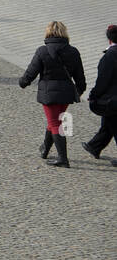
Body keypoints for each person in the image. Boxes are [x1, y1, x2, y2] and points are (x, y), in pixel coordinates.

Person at [19, 20, 86, 167]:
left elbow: (31, 71)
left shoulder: (42, 51)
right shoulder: (73, 51)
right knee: (55, 121)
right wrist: (79, 91)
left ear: (48, 32)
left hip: (49, 93)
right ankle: (45, 149)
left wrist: (23, 82)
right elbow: (80, 76)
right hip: (66, 94)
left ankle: (63, 159)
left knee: (55, 123)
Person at [82, 24, 117, 162]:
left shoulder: (109, 57)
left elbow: (103, 81)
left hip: (112, 99)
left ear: (109, 40)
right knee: (109, 122)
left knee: (113, 122)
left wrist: (94, 95)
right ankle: (94, 146)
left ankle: (94, 146)